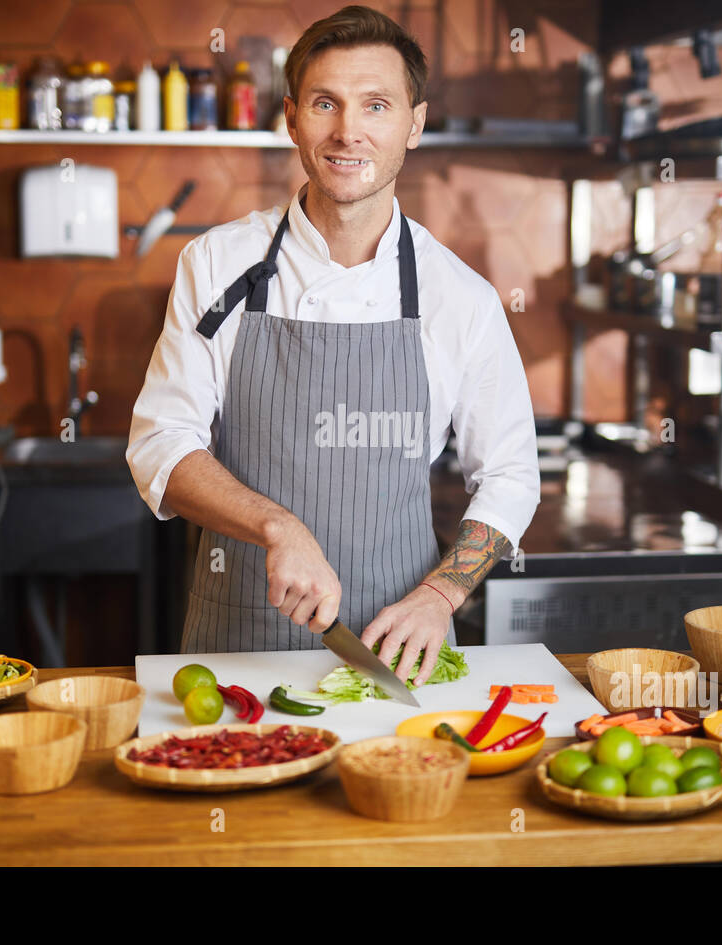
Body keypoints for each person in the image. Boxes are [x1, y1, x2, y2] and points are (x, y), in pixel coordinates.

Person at [127, 5, 539, 685]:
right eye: (326, 103)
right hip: (237, 648)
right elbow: (160, 446)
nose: (349, 131)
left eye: (376, 105)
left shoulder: (459, 297)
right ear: (291, 117)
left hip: (400, 650)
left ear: (415, 123)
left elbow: (511, 476)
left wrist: (441, 596)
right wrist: (277, 528)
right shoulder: (216, 263)